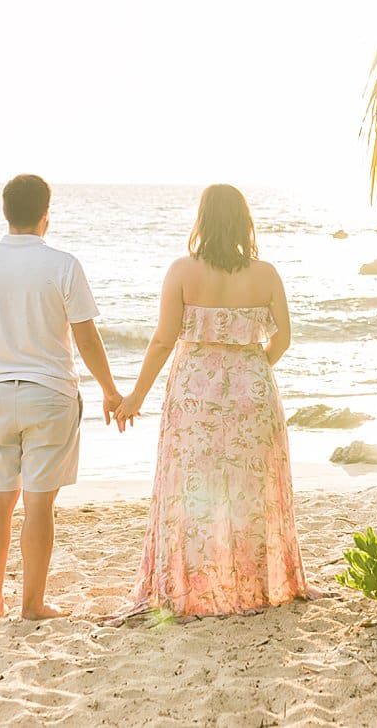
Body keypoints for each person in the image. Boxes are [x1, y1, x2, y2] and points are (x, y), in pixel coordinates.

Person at [111, 184, 318, 621]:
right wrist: (255, 365)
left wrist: (136, 396)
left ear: (202, 221)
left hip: (194, 394)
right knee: (251, 489)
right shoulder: (266, 275)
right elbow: (285, 335)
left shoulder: (183, 271)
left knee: (190, 490)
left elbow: (164, 339)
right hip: (252, 390)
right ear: (244, 221)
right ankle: (254, 587)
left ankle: (192, 587)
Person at [0, 175, 125, 620]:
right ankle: (32, 605)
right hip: (50, 395)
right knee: (38, 502)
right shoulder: (63, 265)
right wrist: (110, 390)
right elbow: (86, 338)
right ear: (46, 214)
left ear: (5, 211)